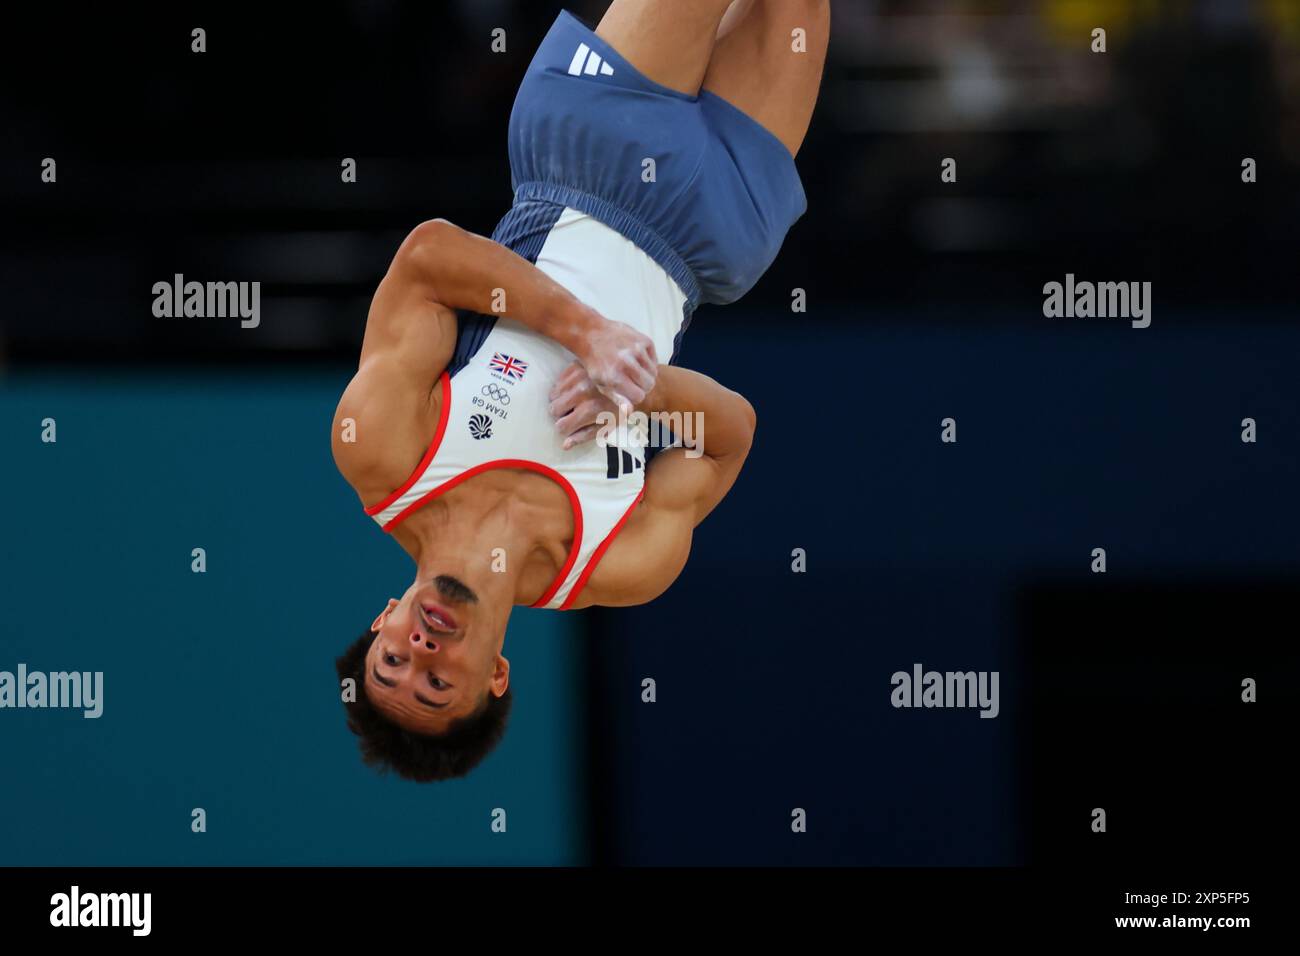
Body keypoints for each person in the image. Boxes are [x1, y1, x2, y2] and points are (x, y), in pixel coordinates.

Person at [333, 0, 829, 781]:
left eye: (390, 661)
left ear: (381, 621)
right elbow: (732, 435)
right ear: (495, 678)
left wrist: (587, 334)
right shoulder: (615, 566)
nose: (420, 652)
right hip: (713, 239)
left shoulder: (386, 458)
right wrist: (644, 389)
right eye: (436, 684)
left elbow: (427, 258)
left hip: (591, 147)